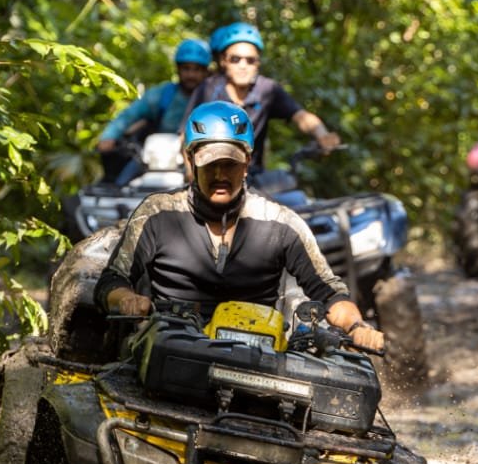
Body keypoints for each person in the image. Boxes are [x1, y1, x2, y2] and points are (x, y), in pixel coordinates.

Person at [94, 101, 383, 351]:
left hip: (260, 357)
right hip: (169, 348)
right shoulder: (157, 213)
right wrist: (127, 300)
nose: (220, 174)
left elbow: (330, 293)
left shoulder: (281, 222)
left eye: (229, 164)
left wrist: (357, 326)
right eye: (210, 164)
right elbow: (112, 280)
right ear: (191, 161)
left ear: (246, 163)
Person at [180, 22, 341, 174]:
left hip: (252, 176)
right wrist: (192, 174)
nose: (243, 66)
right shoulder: (208, 89)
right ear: (224, 61)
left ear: (258, 63)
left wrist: (322, 134)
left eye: (250, 60)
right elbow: (186, 135)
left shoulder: (267, 89)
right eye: (235, 59)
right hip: (210, 175)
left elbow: (300, 116)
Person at [96, 38, 211, 182]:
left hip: (200, 160)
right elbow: (129, 115)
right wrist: (109, 136)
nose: (191, 75)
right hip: (156, 159)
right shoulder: (162, 95)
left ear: (206, 71)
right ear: (178, 69)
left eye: (197, 70)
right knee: (120, 185)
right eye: (186, 68)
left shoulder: (212, 97)